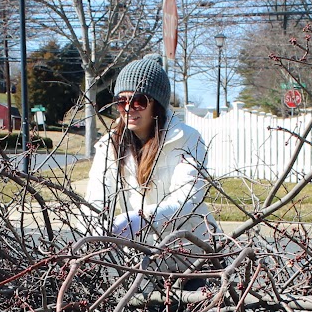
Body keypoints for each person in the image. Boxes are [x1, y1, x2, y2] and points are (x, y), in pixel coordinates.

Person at [83, 55, 217, 252]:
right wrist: (95, 227)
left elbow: (188, 199)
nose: (128, 109)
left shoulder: (186, 139)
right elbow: (95, 199)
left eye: (138, 101)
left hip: (192, 254)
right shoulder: (109, 145)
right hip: (141, 259)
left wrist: (140, 219)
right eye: (121, 101)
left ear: (156, 104)